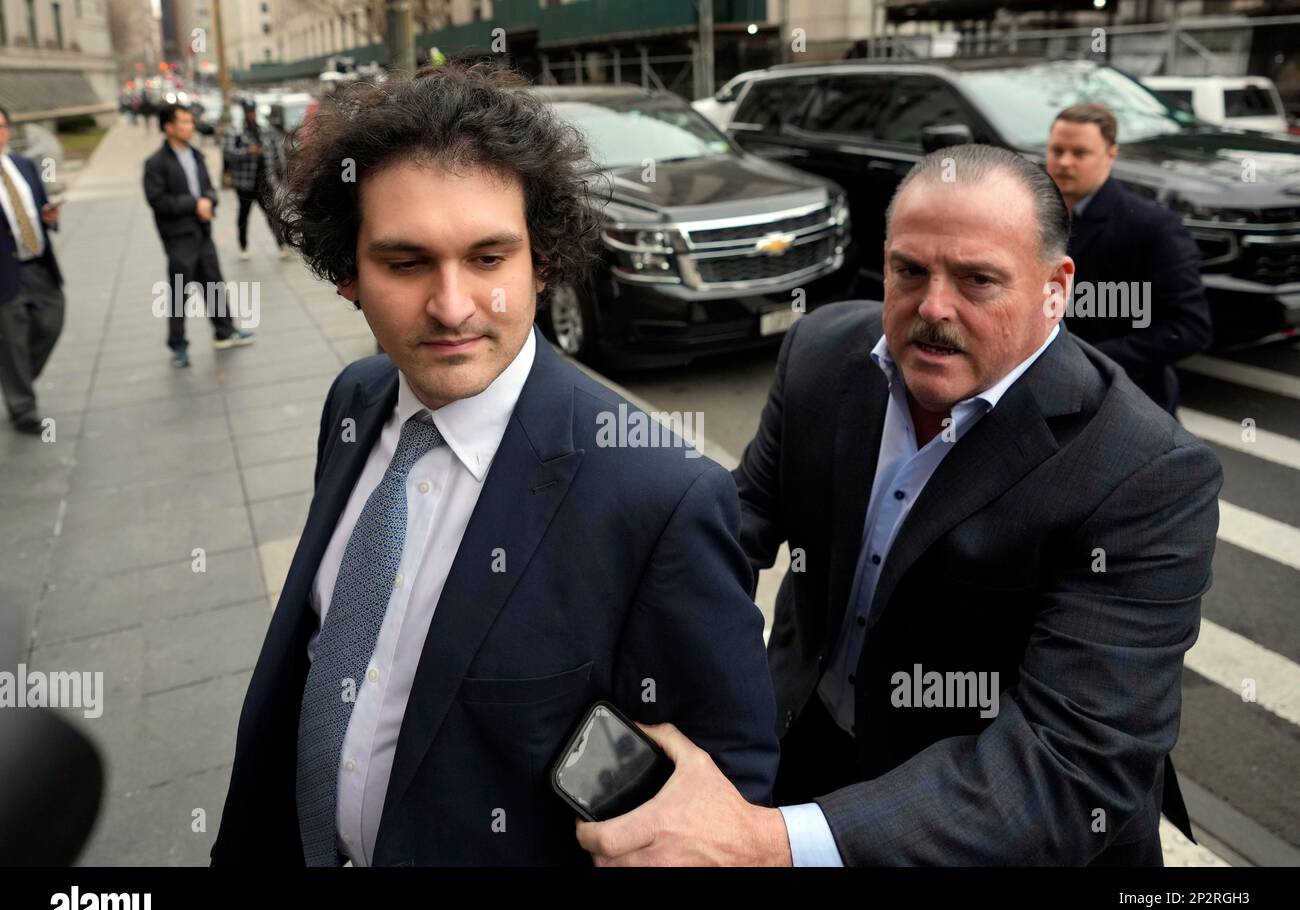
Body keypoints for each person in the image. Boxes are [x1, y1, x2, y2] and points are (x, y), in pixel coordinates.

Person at [576, 145, 1222, 866]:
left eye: (978, 280)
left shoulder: (1146, 472)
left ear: (1056, 286)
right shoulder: (822, 351)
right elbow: (732, 529)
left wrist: (770, 843)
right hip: (800, 742)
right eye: (909, 271)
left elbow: (1068, 766)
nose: (933, 308)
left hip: (991, 825)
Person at [210, 61, 778, 867]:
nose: (451, 306)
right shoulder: (356, 399)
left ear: (540, 263)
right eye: (405, 264)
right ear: (348, 275)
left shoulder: (661, 496)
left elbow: (725, 799)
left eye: (487, 259)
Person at [1046, 102, 1213, 416]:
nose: (1064, 162)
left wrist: (1089, 359)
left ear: (1111, 155)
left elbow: (1189, 327)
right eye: (1057, 150)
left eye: (1080, 153)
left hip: (1126, 402)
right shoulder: (1036, 215)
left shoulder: (1154, 227)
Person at [143, 103, 255, 368]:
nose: (189, 126)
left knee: (214, 282)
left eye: (190, 121)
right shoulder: (156, 163)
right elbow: (157, 200)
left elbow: (209, 189)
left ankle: (224, 333)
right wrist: (195, 204)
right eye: (183, 122)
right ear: (168, 127)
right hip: (178, 237)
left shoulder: (196, 155)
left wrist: (209, 201)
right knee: (180, 294)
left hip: (202, 233)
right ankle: (178, 346)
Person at [0, 105, 65, 435]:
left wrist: (48, 218)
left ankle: (16, 379)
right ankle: (22, 406)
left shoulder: (23, 166)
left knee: (52, 321)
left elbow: (35, 208)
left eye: (1, 126)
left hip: (39, 265)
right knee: (12, 341)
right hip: (5, 274)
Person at [222, 99, 288, 261]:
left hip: (265, 181)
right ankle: (243, 246)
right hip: (245, 182)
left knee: (272, 215)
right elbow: (228, 153)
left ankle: (281, 245)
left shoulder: (265, 131)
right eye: (248, 112)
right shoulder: (236, 132)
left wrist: (280, 173)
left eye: (253, 111)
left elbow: (276, 153)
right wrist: (248, 152)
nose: (251, 115)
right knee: (244, 215)